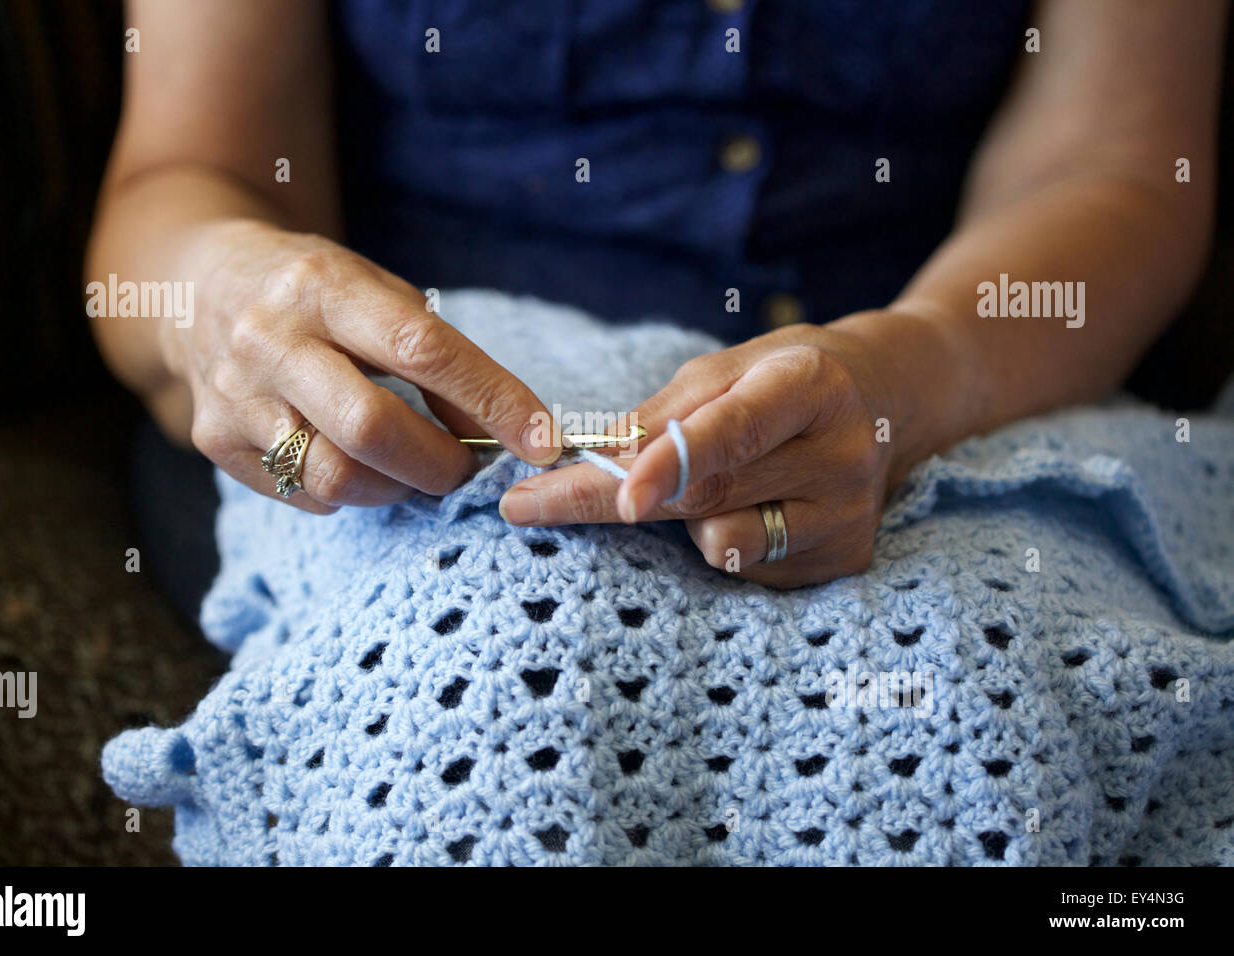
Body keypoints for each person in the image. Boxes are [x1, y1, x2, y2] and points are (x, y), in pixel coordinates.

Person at [86, 0, 1228, 594]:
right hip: (412, 460)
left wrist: (908, 373)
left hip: (956, 402)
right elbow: (186, 171)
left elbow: (1116, 163)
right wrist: (222, 296)